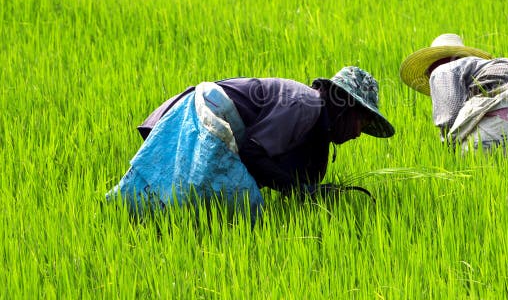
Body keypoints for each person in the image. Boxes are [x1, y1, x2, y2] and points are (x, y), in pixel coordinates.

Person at [107, 66, 394, 218]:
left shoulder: (313, 119)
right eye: (362, 122)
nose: (359, 133)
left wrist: (307, 188)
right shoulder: (305, 104)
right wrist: (298, 190)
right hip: (206, 118)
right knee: (233, 214)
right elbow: (253, 153)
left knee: (166, 210)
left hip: (204, 118)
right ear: (344, 105)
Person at [400, 34, 508, 163]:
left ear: (431, 66)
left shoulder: (441, 71)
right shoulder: (478, 66)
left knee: (476, 157)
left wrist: (447, 158)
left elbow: (449, 120)